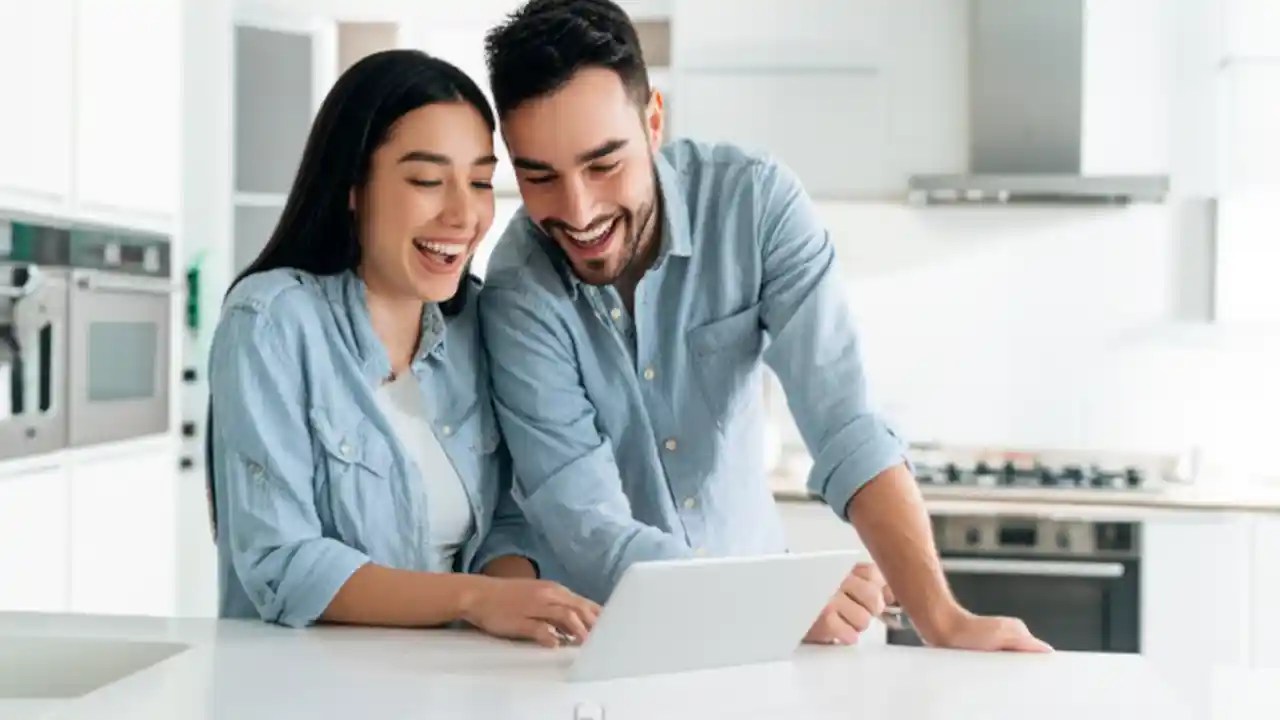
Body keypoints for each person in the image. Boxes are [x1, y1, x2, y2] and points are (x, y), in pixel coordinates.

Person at [478, 0, 1050, 651]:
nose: (578, 211)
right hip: (603, 643)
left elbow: (846, 424)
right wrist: (768, 602)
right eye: (539, 176)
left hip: (769, 640)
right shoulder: (519, 292)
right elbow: (588, 521)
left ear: (653, 121)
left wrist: (942, 620)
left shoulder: (754, 204)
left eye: (604, 164)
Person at [206, 49, 597, 647]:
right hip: (301, 690)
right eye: (426, 181)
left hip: (452, 678)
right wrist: (476, 598)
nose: (464, 214)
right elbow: (282, 565)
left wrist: (523, 607)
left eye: (479, 182)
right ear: (353, 186)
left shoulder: (474, 322)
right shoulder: (271, 321)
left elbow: (506, 523)